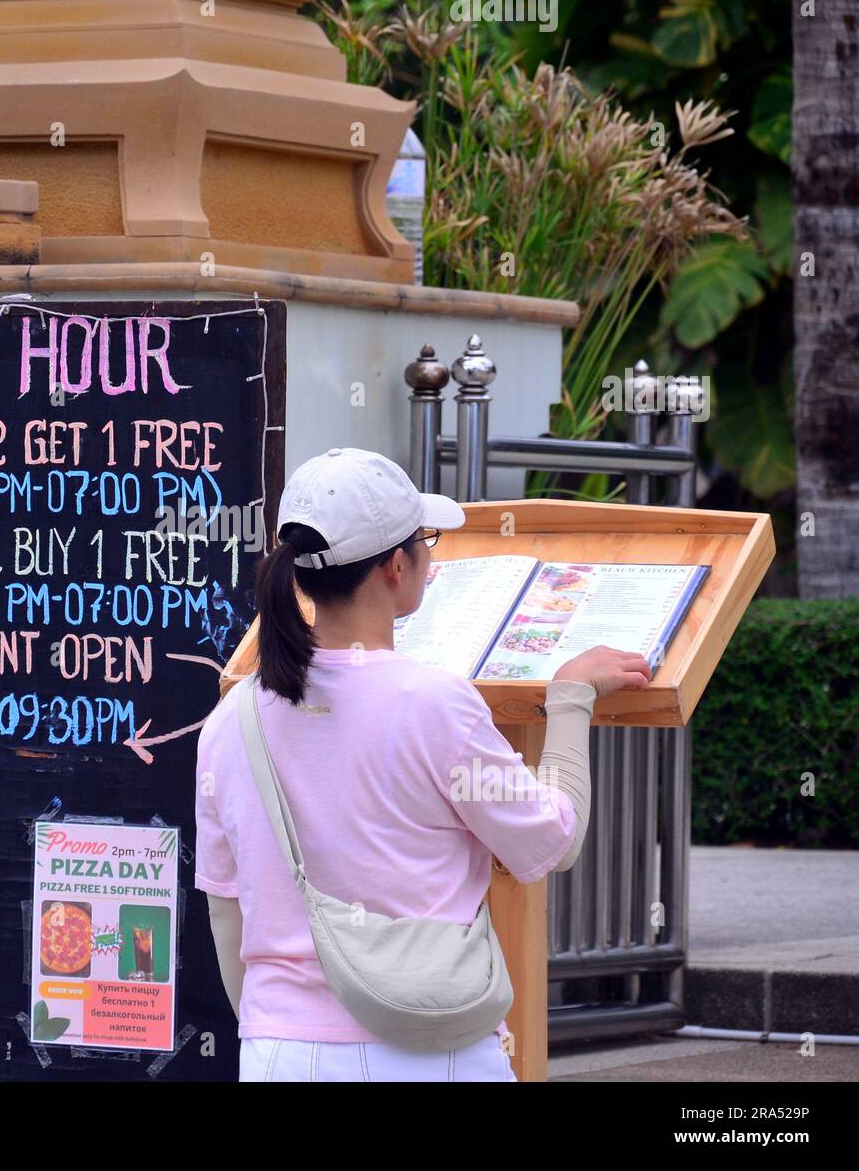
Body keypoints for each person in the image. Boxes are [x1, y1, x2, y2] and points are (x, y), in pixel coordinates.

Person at [194, 447, 651, 1082]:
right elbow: (553, 839)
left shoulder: (229, 720)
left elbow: (225, 906)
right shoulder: (434, 705)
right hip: (427, 1044)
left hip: (278, 1052)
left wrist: (274, 1030)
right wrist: (570, 698)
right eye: (426, 540)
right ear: (395, 566)